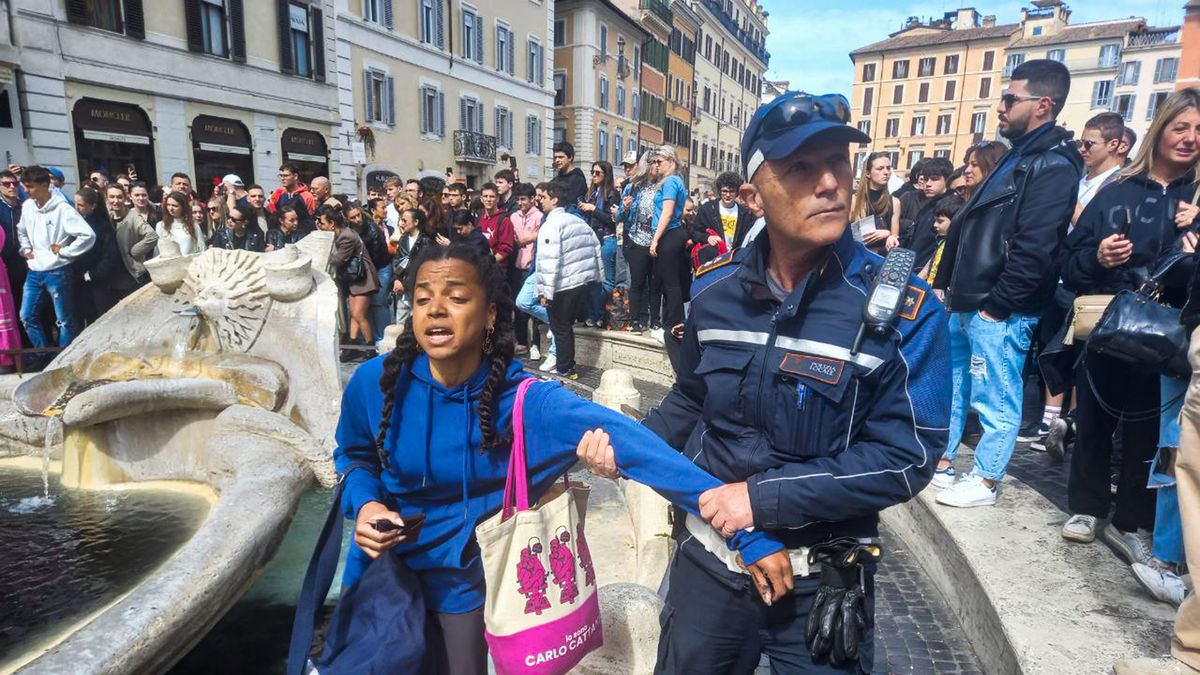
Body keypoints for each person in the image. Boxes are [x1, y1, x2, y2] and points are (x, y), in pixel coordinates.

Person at [578, 90, 950, 673]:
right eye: (801, 168)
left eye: (838, 163)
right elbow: (692, 397)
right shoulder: (713, 291)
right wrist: (626, 442)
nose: (829, 183)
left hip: (819, 584)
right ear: (752, 196)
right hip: (710, 565)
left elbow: (907, 455)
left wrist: (758, 499)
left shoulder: (905, 309)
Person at [332, 240, 788, 675]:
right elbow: (353, 456)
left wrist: (742, 532)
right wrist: (366, 502)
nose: (435, 309)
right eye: (422, 298)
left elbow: (643, 451)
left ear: (490, 313)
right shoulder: (376, 382)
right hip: (377, 573)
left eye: (455, 297)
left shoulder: (531, 404)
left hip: (460, 590)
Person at [932, 59, 1084, 506]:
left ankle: (987, 479)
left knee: (995, 391)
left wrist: (997, 305)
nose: (1000, 107)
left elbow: (1035, 246)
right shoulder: (1019, 157)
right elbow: (968, 228)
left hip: (997, 304)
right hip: (973, 299)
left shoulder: (1052, 165)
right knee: (959, 385)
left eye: (1010, 99)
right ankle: (944, 462)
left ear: (1042, 105)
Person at [1057, 88, 1200, 558]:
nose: (1190, 138)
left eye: (1199, 131)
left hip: (1172, 330)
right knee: (1095, 417)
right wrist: (1099, 256)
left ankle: (1133, 518)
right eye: (1181, 127)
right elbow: (1071, 261)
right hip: (1112, 318)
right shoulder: (1116, 190)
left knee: (1151, 430)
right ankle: (1087, 506)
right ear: (1161, 129)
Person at [17, 166, 95, 357]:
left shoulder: (63, 209)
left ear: (44, 185)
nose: (26, 190)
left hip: (58, 271)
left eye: (30, 186)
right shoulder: (27, 206)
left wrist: (66, 252)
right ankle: (44, 356)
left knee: (65, 320)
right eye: (24, 186)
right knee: (26, 316)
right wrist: (26, 248)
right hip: (34, 271)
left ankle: (63, 358)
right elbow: (22, 230)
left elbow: (88, 235)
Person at [535, 181, 601, 380]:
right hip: (580, 282)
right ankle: (566, 366)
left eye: (543, 197)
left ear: (554, 200)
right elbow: (595, 247)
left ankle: (564, 369)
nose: (540, 201)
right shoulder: (577, 221)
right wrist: (596, 276)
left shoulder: (551, 225)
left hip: (562, 284)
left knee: (560, 327)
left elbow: (548, 261)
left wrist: (545, 293)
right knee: (565, 327)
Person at [323, 205, 379, 357]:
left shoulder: (346, 236)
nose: (321, 226)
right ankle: (353, 346)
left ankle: (370, 347)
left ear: (332, 224)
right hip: (355, 279)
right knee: (354, 314)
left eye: (323, 223)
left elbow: (340, 259)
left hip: (363, 279)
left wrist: (322, 255)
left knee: (359, 315)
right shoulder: (344, 233)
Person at [616, 152, 662, 333]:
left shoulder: (663, 187)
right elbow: (619, 216)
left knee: (655, 284)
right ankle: (636, 320)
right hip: (636, 239)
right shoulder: (633, 188)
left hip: (657, 241)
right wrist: (625, 208)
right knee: (637, 283)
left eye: (658, 163)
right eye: (652, 163)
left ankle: (654, 320)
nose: (656, 166)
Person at [579, 161, 619, 327]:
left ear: (606, 175)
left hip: (607, 239)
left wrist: (593, 209)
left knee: (607, 281)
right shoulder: (591, 193)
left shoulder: (612, 194)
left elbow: (612, 221)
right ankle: (593, 314)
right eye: (592, 173)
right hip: (591, 240)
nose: (594, 176)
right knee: (592, 281)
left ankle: (604, 315)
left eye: (598, 173)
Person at [899, 157, 954, 272]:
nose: (928, 184)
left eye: (934, 179)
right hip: (911, 266)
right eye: (926, 179)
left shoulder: (949, 209)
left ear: (947, 180)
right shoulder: (929, 206)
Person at [348, 202, 393, 341]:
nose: (357, 219)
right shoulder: (348, 230)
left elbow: (376, 256)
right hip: (361, 269)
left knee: (379, 302)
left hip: (379, 267)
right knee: (361, 307)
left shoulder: (372, 229)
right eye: (353, 217)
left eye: (358, 215)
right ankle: (365, 339)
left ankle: (382, 338)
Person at [508, 182, 543, 356]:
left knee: (532, 306)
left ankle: (536, 344)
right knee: (518, 308)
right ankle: (522, 343)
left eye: (523, 199)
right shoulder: (514, 216)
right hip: (517, 266)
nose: (520, 203)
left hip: (532, 267)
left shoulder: (539, 216)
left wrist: (527, 238)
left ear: (532, 199)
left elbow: (543, 232)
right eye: (518, 199)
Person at [1074, 112, 1126, 222]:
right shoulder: (1080, 179)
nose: (1082, 149)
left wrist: (1069, 197)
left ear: (1113, 144)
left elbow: (1096, 231)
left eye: (1088, 144)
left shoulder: (1118, 184)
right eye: (1080, 143)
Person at [104, 185, 156, 292]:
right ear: (107, 198)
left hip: (131, 273)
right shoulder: (107, 217)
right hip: (112, 274)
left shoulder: (133, 216)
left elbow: (152, 236)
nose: (116, 201)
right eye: (112, 197)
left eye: (119, 197)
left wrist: (134, 251)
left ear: (125, 198)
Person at [390, 207, 434, 329]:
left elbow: (423, 268)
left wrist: (406, 284)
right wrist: (397, 279)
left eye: (405, 220)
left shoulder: (426, 242)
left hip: (417, 288)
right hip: (401, 289)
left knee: (417, 322)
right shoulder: (403, 239)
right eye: (401, 220)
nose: (402, 223)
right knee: (400, 321)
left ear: (416, 222)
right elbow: (397, 261)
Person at [695, 171, 758, 254]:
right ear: (719, 191)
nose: (728, 195)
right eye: (724, 191)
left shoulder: (745, 213)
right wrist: (707, 238)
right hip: (713, 257)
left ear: (737, 193)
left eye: (731, 191)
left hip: (734, 257)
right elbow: (694, 232)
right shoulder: (707, 209)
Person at [849, 154, 901, 254]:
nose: (886, 172)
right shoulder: (854, 201)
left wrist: (889, 234)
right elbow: (844, 234)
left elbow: (895, 238)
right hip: (857, 257)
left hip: (881, 259)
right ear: (868, 173)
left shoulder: (895, 202)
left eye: (888, 168)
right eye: (880, 168)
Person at [0, 169, 27, 318]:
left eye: (15, 183)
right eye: (6, 183)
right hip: (4, 264)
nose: (12, 187)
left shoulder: (25, 207)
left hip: (24, 261)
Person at [920, 195, 964, 285]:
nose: (935, 225)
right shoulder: (942, 242)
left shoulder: (959, 246)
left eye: (940, 221)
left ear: (956, 221)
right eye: (935, 220)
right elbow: (927, 268)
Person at [476, 183, 515, 270]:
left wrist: (489, 263)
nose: (488, 199)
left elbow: (506, 249)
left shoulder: (504, 220)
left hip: (497, 269)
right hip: (480, 268)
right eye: (485, 196)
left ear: (497, 199)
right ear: (481, 199)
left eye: (492, 196)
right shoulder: (479, 218)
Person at [156, 192, 205, 256]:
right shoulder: (161, 226)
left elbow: (202, 248)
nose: (171, 208)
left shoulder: (194, 226)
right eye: (168, 205)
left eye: (175, 206)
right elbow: (157, 251)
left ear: (183, 207)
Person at [550, 142, 588, 206]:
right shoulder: (555, 180)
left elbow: (572, 201)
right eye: (555, 157)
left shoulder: (578, 179)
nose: (557, 160)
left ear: (570, 158)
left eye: (560, 157)